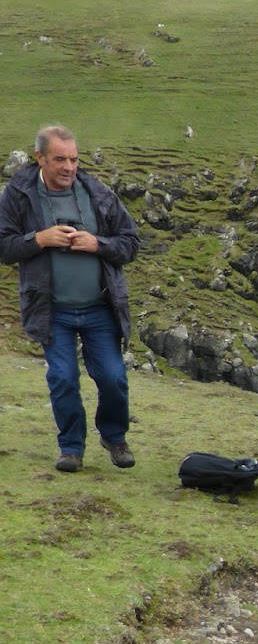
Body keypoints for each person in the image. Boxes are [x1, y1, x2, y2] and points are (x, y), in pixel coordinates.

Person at [0, 124, 140, 471]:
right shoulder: (18, 195)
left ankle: (114, 435)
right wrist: (40, 239)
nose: (68, 167)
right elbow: (4, 246)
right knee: (63, 378)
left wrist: (98, 244)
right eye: (59, 159)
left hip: (100, 308)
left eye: (74, 159)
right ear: (40, 158)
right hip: (52, 310)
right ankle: (71, 448)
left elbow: (130, 243)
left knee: (113, 377)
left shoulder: (99, 194)